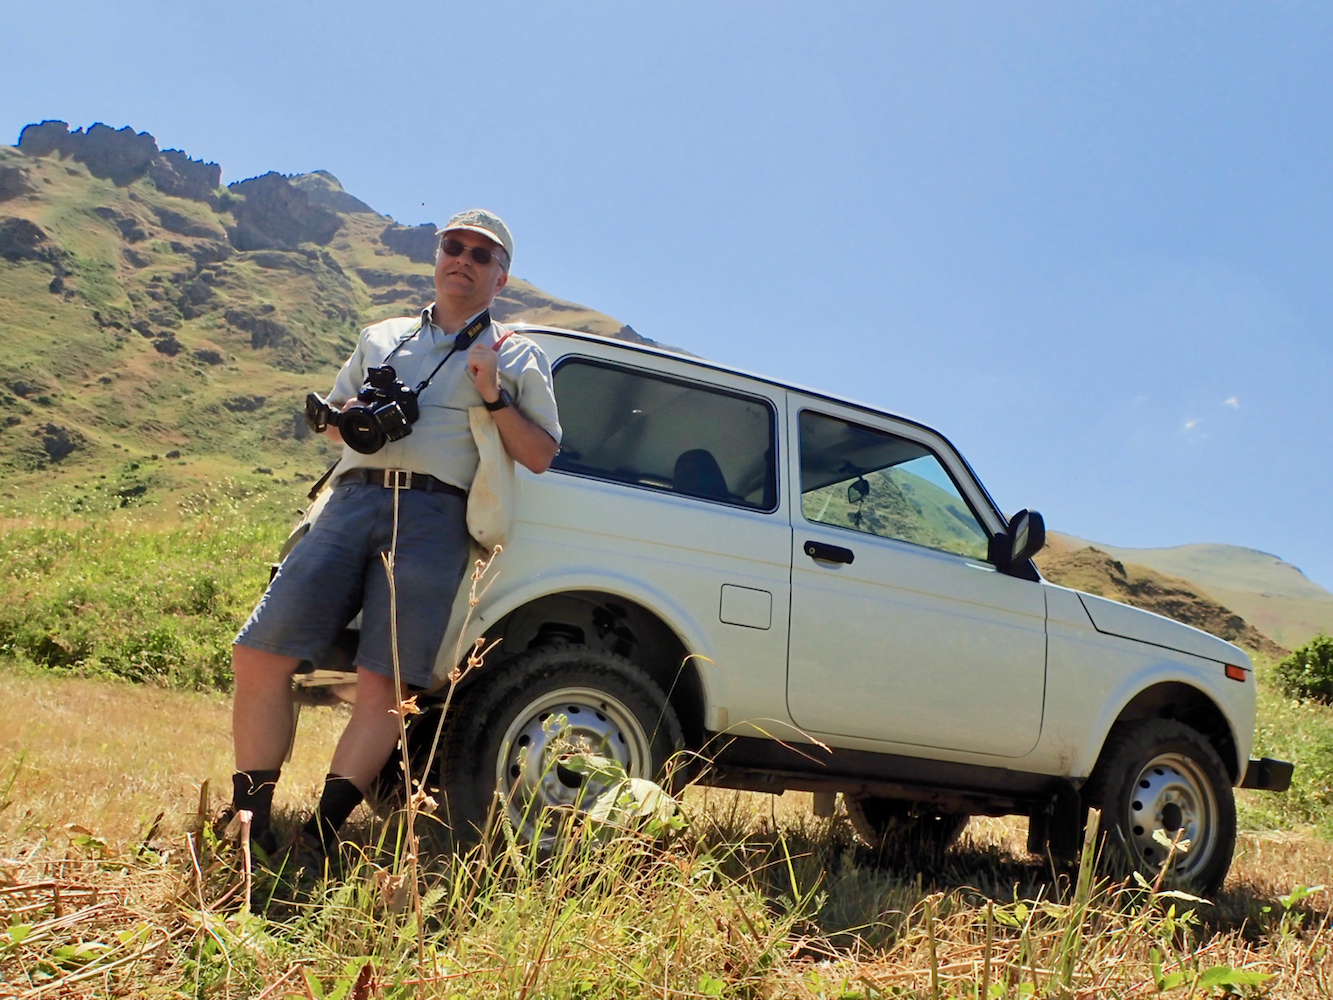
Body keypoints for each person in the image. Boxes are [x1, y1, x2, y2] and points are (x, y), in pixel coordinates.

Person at [223, 208, 561, 863]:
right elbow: (331, 422)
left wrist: (491, 393)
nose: (462, 259)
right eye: (452, 247)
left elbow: (541, 453)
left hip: (435, 516)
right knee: (259, 652)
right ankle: (249, 819)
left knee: (385, 683)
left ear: (501, 277)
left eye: (480, 255)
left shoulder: (516, 352)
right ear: (436, 258)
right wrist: (350, 418)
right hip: (349, 502)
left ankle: (322, 832)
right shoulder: (381, 337)